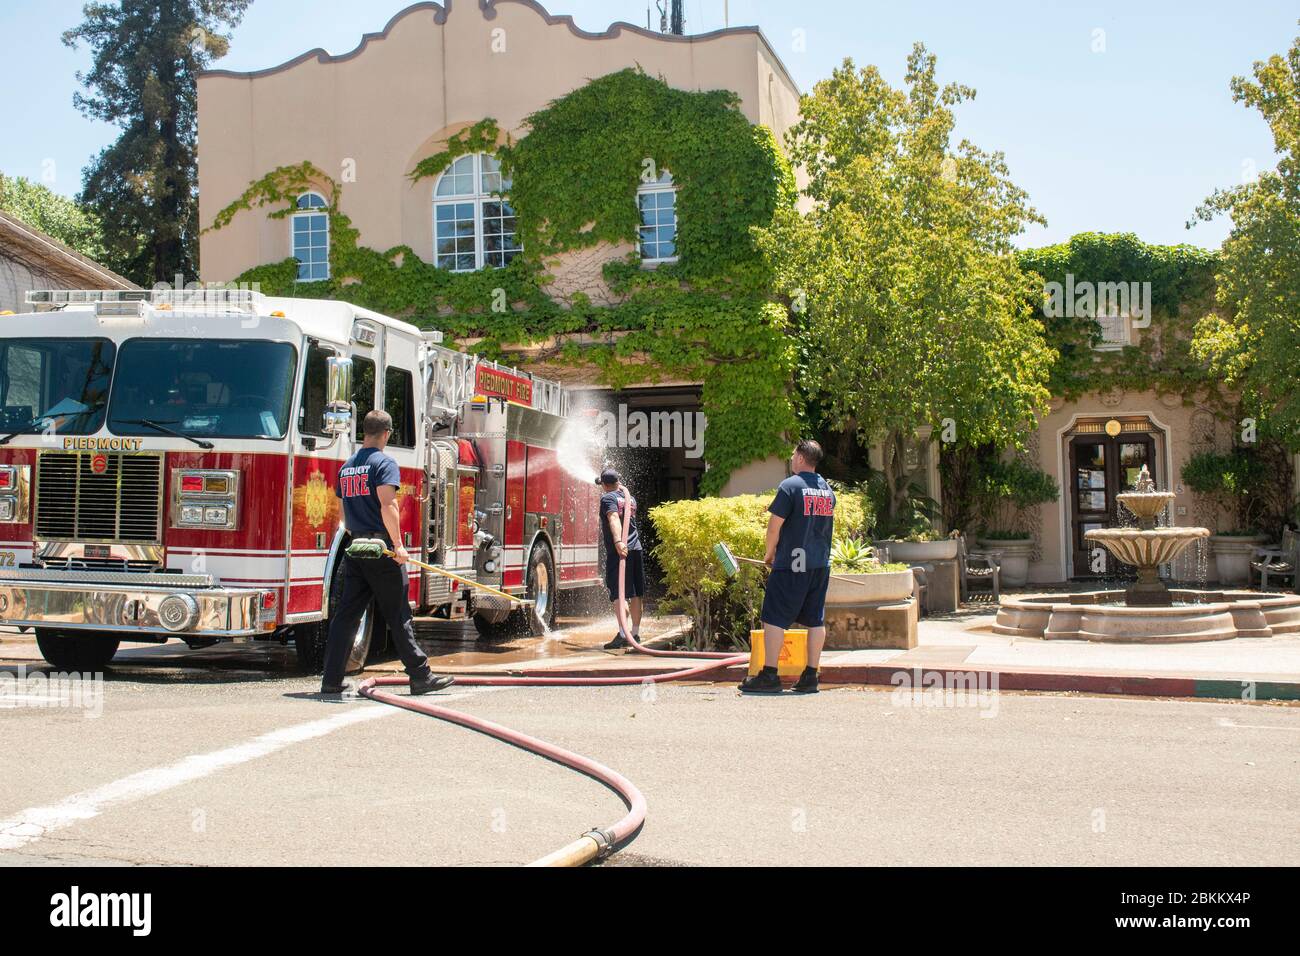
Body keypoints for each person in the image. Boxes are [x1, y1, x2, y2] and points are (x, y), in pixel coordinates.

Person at [321, 409, 455, 697]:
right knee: (398, 614)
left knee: (346, 615)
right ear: (387, 434)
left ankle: (331, 680)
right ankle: (421, 676)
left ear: (364, 432)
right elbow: (388, 505)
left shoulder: (346, 468)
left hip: (356, 548)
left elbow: (341, 510)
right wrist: (398, 545)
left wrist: (354, 536)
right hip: (381, 550)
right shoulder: (384, 464)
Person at [739, 439, 835, 695]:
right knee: (815, 619)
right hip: (819, 563)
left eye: (794, 455)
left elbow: (774, 527)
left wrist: (769, 555)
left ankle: (769, 674)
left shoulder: (790, 486)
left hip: (793, 562)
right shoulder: (827, 490)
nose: (791, 458)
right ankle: (810, 676)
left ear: (802, 458)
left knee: (773, 617)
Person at [596, 467, 645, 650]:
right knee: (636, 593)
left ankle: (623, 634)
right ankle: (635, 633)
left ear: (604, 485)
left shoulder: (607, 498)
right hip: (636, 548)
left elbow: (614, 518)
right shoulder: (629, 498)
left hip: (620, 551)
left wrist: (618, 541)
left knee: (619, 594)